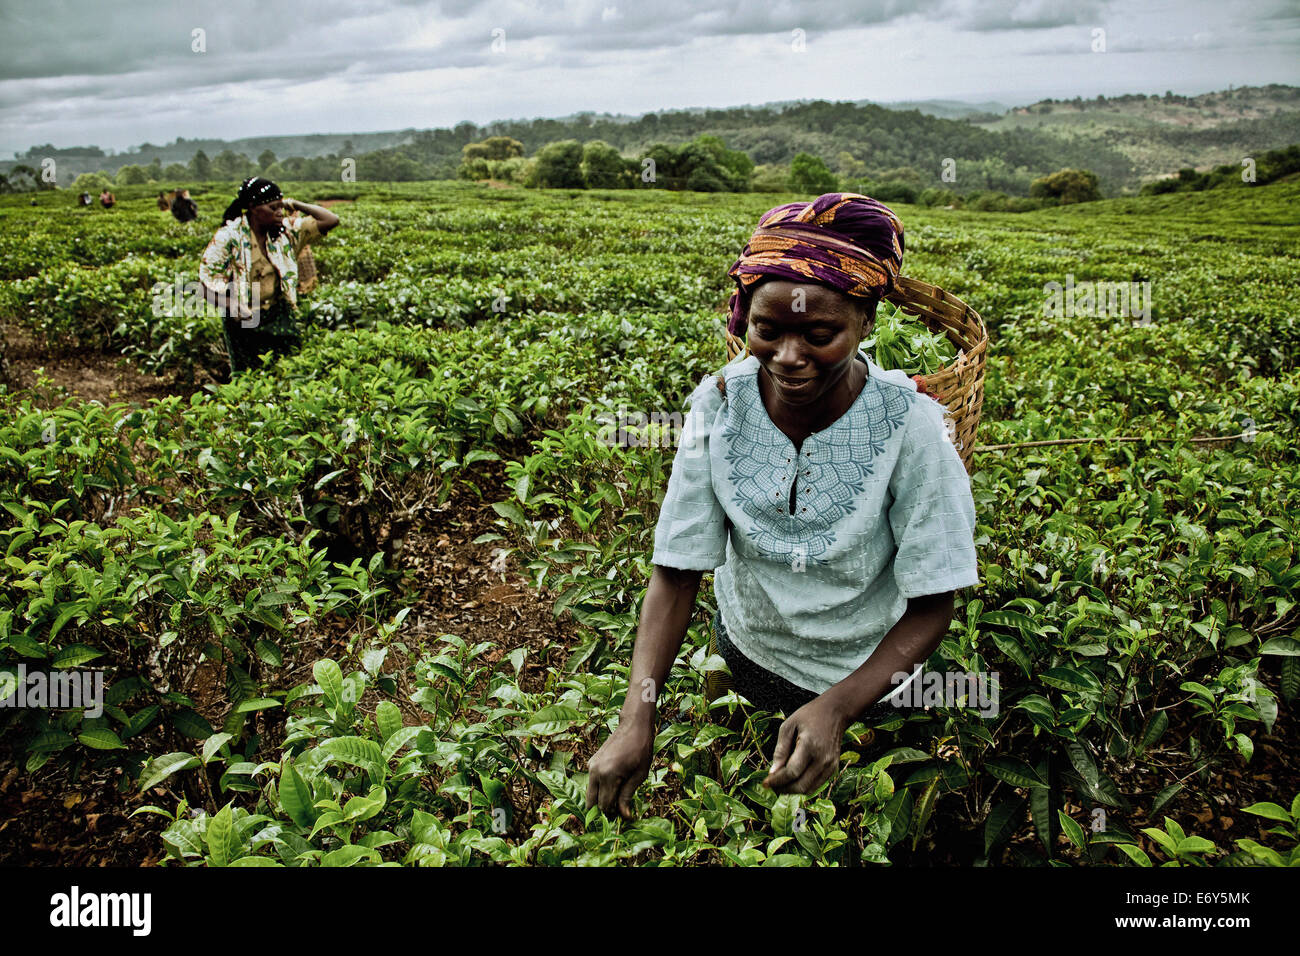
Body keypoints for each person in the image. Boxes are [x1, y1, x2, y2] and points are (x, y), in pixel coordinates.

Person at [585, 193, 980, 819]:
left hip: (868, 678)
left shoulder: (912, 427)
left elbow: (933, 604)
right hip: (748, 654)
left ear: (865, 324)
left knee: (854, 825)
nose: (789, 357)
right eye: (767, 331)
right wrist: (637, 717)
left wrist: (837, 708)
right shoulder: (718, 405)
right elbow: (677, 569)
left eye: (820, 335)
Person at [199, 177, 339, 375]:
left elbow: (331, 220)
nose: (279, 212)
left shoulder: (286, 232)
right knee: (249, 376)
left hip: (278, 311)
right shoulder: (229, 237)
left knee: (290, 368)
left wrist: (294, 203)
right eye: (273, 207)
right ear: (252, 207)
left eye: (280, 207)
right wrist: (231, 305)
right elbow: (205, 283)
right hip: (244, 318)